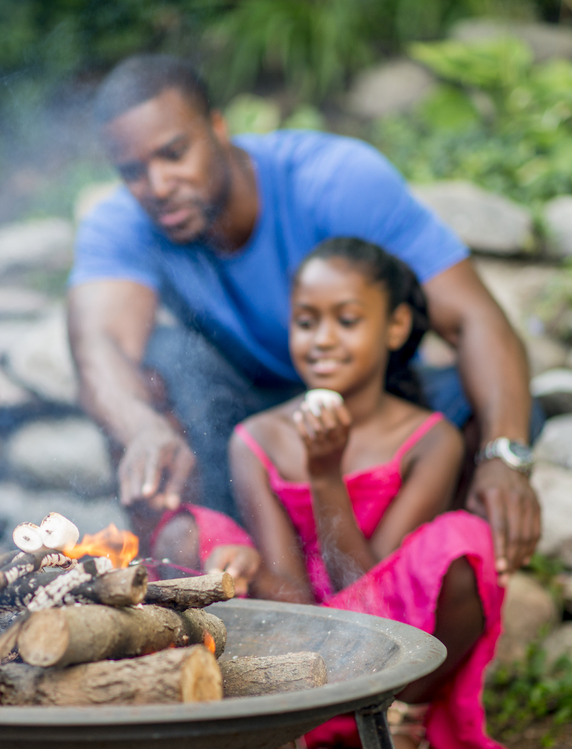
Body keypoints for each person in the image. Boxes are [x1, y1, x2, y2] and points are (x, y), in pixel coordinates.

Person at [67, 55, 540, 582]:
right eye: (132, 171)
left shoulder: (334, 181)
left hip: (376, 405)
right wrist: (144, 428)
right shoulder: (121, 224)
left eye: (174, 154)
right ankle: (212, 580)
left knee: (505, 411)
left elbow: (474, 317)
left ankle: (415, 592)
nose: (157, 185)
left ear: (219, 128)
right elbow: (99, 348)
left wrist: (505, 452)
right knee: (154, 371)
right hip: (250, 417)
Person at [230, 237, 511, 749]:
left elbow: (366, 588)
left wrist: (324, 476)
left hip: (392, 640)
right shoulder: (256, 439)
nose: (323, 340)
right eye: (306, 322)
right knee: (193, 537)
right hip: (298, 635)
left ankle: (403, 719)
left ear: (396, 327)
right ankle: (281, 720)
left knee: (465, 544)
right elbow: (289, 591)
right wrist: (247, 566)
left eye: (348, 320)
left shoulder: (431, 440)